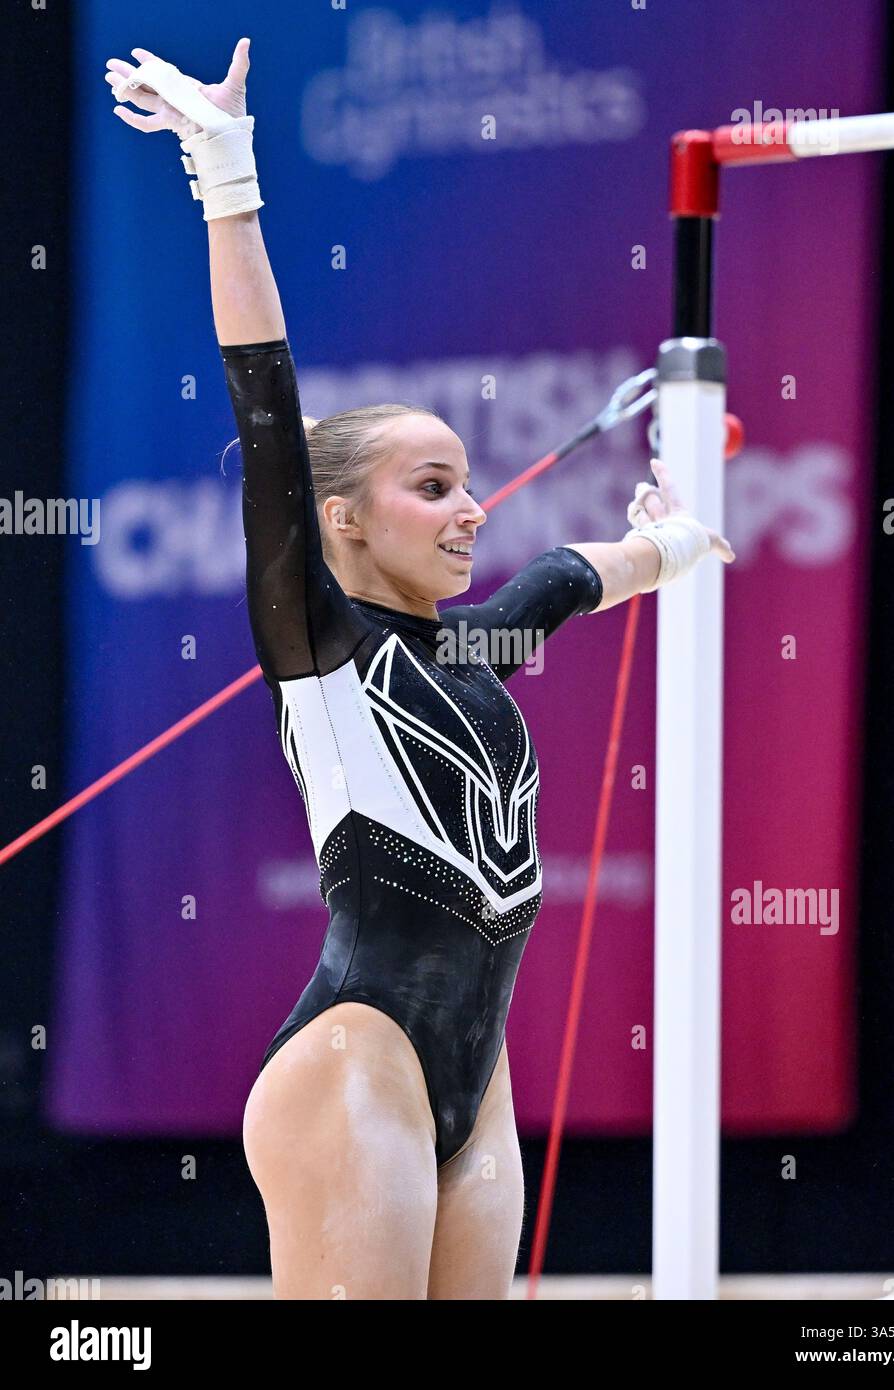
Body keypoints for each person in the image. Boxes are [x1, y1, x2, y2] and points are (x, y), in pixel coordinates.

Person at [105, 38, 734, 1300]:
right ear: (340, 520)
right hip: (358, 1062)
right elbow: (265, 404)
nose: (466, 511)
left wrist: (666, 542)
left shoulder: (478, 651)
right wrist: (226, 175)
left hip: (473, 1077)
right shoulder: (318, 646)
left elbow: (558, 577)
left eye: (465, 485)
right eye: (431, 486)